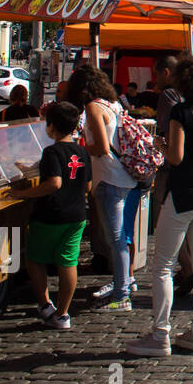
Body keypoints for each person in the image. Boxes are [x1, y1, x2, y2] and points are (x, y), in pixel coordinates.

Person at [127, 53, 193, 357]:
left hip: (182, 193)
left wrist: (158, 146)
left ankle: (160, 334)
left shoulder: (180, 112)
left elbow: (175, 157)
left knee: (163, 265)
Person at [8, 101, 90, 331]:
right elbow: (89, 184)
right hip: (77, 215)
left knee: (34, 259)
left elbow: (54, 183)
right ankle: (63, 314)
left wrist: (22, 194)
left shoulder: (52, 151)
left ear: (51, 126)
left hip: (51, 215)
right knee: (68, 261)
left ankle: (45, 304)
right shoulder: (82, 151)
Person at [69, 65, 142, 311]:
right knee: (120, 236)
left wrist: (76, 149)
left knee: (116, 238)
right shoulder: (113, 104)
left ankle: (121, 295)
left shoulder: (92, 108)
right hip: (122, 176)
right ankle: (124, 282)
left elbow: (100, 146)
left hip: (108, 177)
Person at [147, 54, 193, 299]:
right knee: (185, 223)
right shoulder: (190, 94)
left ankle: (187, 268)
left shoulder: (168, 96)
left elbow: (166, 130)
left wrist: (159, 146)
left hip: (172, 165)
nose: (155, 79)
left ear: (166, 72)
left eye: (156, 74)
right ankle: (190, 265)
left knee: (164, 220)